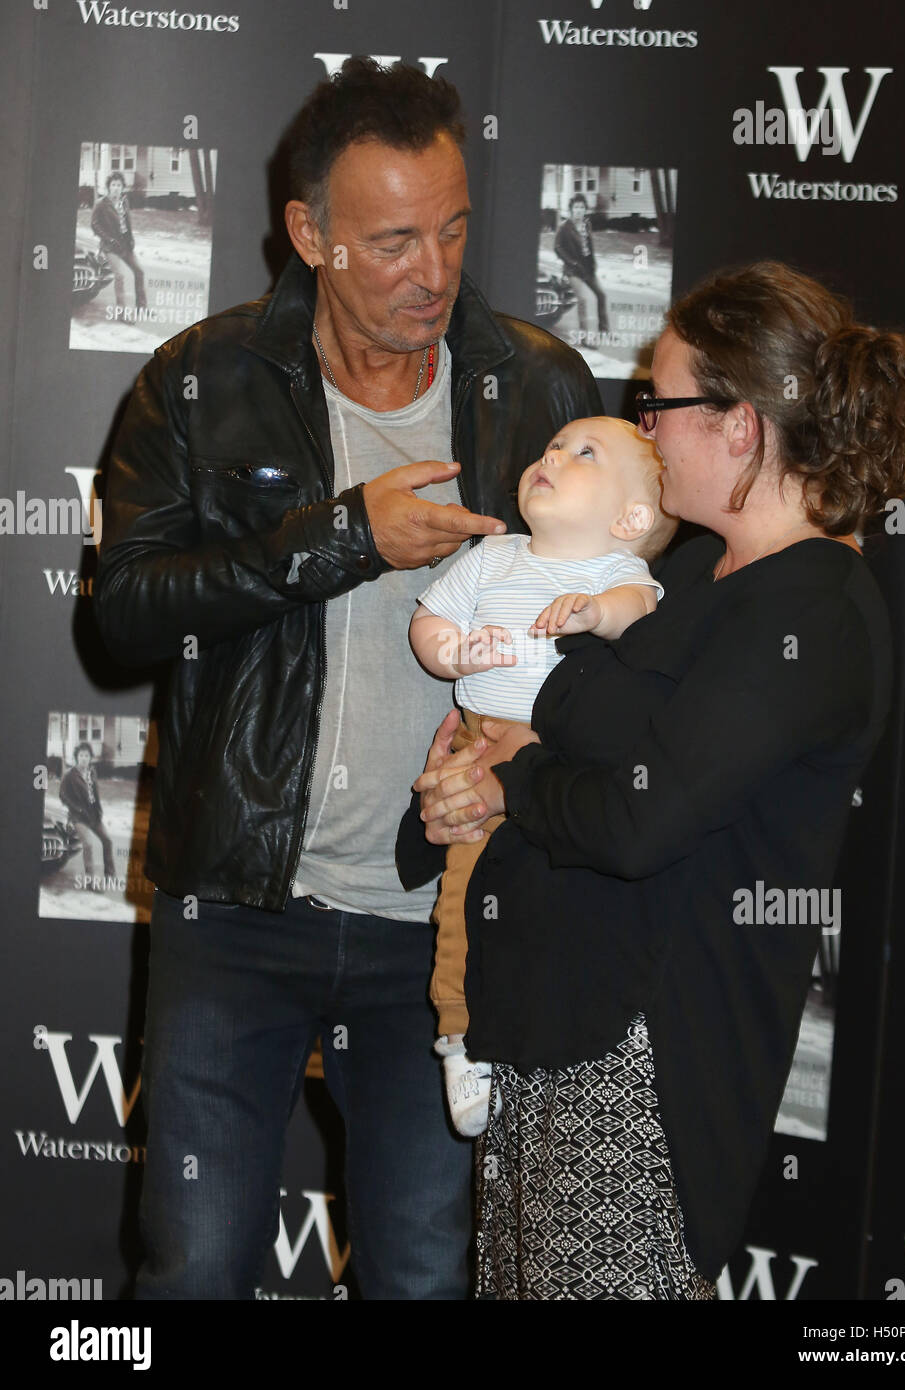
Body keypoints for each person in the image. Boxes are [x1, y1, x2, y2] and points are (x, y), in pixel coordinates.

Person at [93, 58, 600, 1301]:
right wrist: (341, 540)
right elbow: (125, 620)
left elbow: (610, 649)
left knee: (421, 1275)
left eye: (453, 227)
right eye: (389, 241)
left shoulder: (535, 390)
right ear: (309, 234)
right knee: (193, 1268)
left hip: (436, 927)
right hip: (238, 907)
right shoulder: (199, 382)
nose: (432, 270)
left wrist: (518, 769)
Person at [407, 261, 905, 1299]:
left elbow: (637, 817)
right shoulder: (692, 570)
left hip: (642, 1071)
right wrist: (479, 768)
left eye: (660, 403)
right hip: (546, 1031)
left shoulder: (811, 614)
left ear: (738, 426)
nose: (643, 429)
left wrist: (518, 779)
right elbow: (573, 724)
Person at [409, 417, 674, 1134]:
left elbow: (637, 611)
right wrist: (453, 653)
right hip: (474, 749)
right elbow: (429, 621)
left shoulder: (618, 574)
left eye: (584, 454)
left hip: (555, 770)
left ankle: (511, 1027)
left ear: (630, 518)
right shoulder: (492, 556)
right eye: (551, 444)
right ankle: (459, 1036)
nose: (552, 455)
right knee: (459, 903)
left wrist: (593, 612)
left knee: (527, 913)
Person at [59, 742, 116, 892]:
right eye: (81, 755)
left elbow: (95, 794)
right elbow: (62, 795)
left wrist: (99, 810)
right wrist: (77, 808)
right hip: (78, 817)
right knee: (89, 845)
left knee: (108, 840)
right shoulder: (70, 775)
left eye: (86, 755)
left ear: (90, 758)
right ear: (77, 757)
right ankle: (91, 883)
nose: (84, 758)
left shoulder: (92, 772)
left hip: (93, 815)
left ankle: (110, 875)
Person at [554, 193, 609, 336]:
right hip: (573, 270)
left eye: (582, 207)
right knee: (583, 300)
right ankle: (585, 337)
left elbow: (589, 246)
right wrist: (571, 262)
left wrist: (593, 263)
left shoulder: (586, 224)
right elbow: (557, 247)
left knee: (601, 295)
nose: (579, 210)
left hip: (587, 269)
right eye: (576, 207)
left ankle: (604, 330)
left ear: (585, 209)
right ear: (571, 209)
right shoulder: (565, 226)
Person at [91, 172, 147, 312]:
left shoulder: (124, 201)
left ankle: (142, 306)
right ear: (109, 187)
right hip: (110, 247)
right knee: (120, 276)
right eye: (113, 185)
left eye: (119, 185)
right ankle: (122, 312)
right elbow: (94, 224)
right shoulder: (101, 203)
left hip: (125, 245)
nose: (116, 188)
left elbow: (127, 222)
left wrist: (131, 238)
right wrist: (108, 238)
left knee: (139, 271)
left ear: (122, 187)